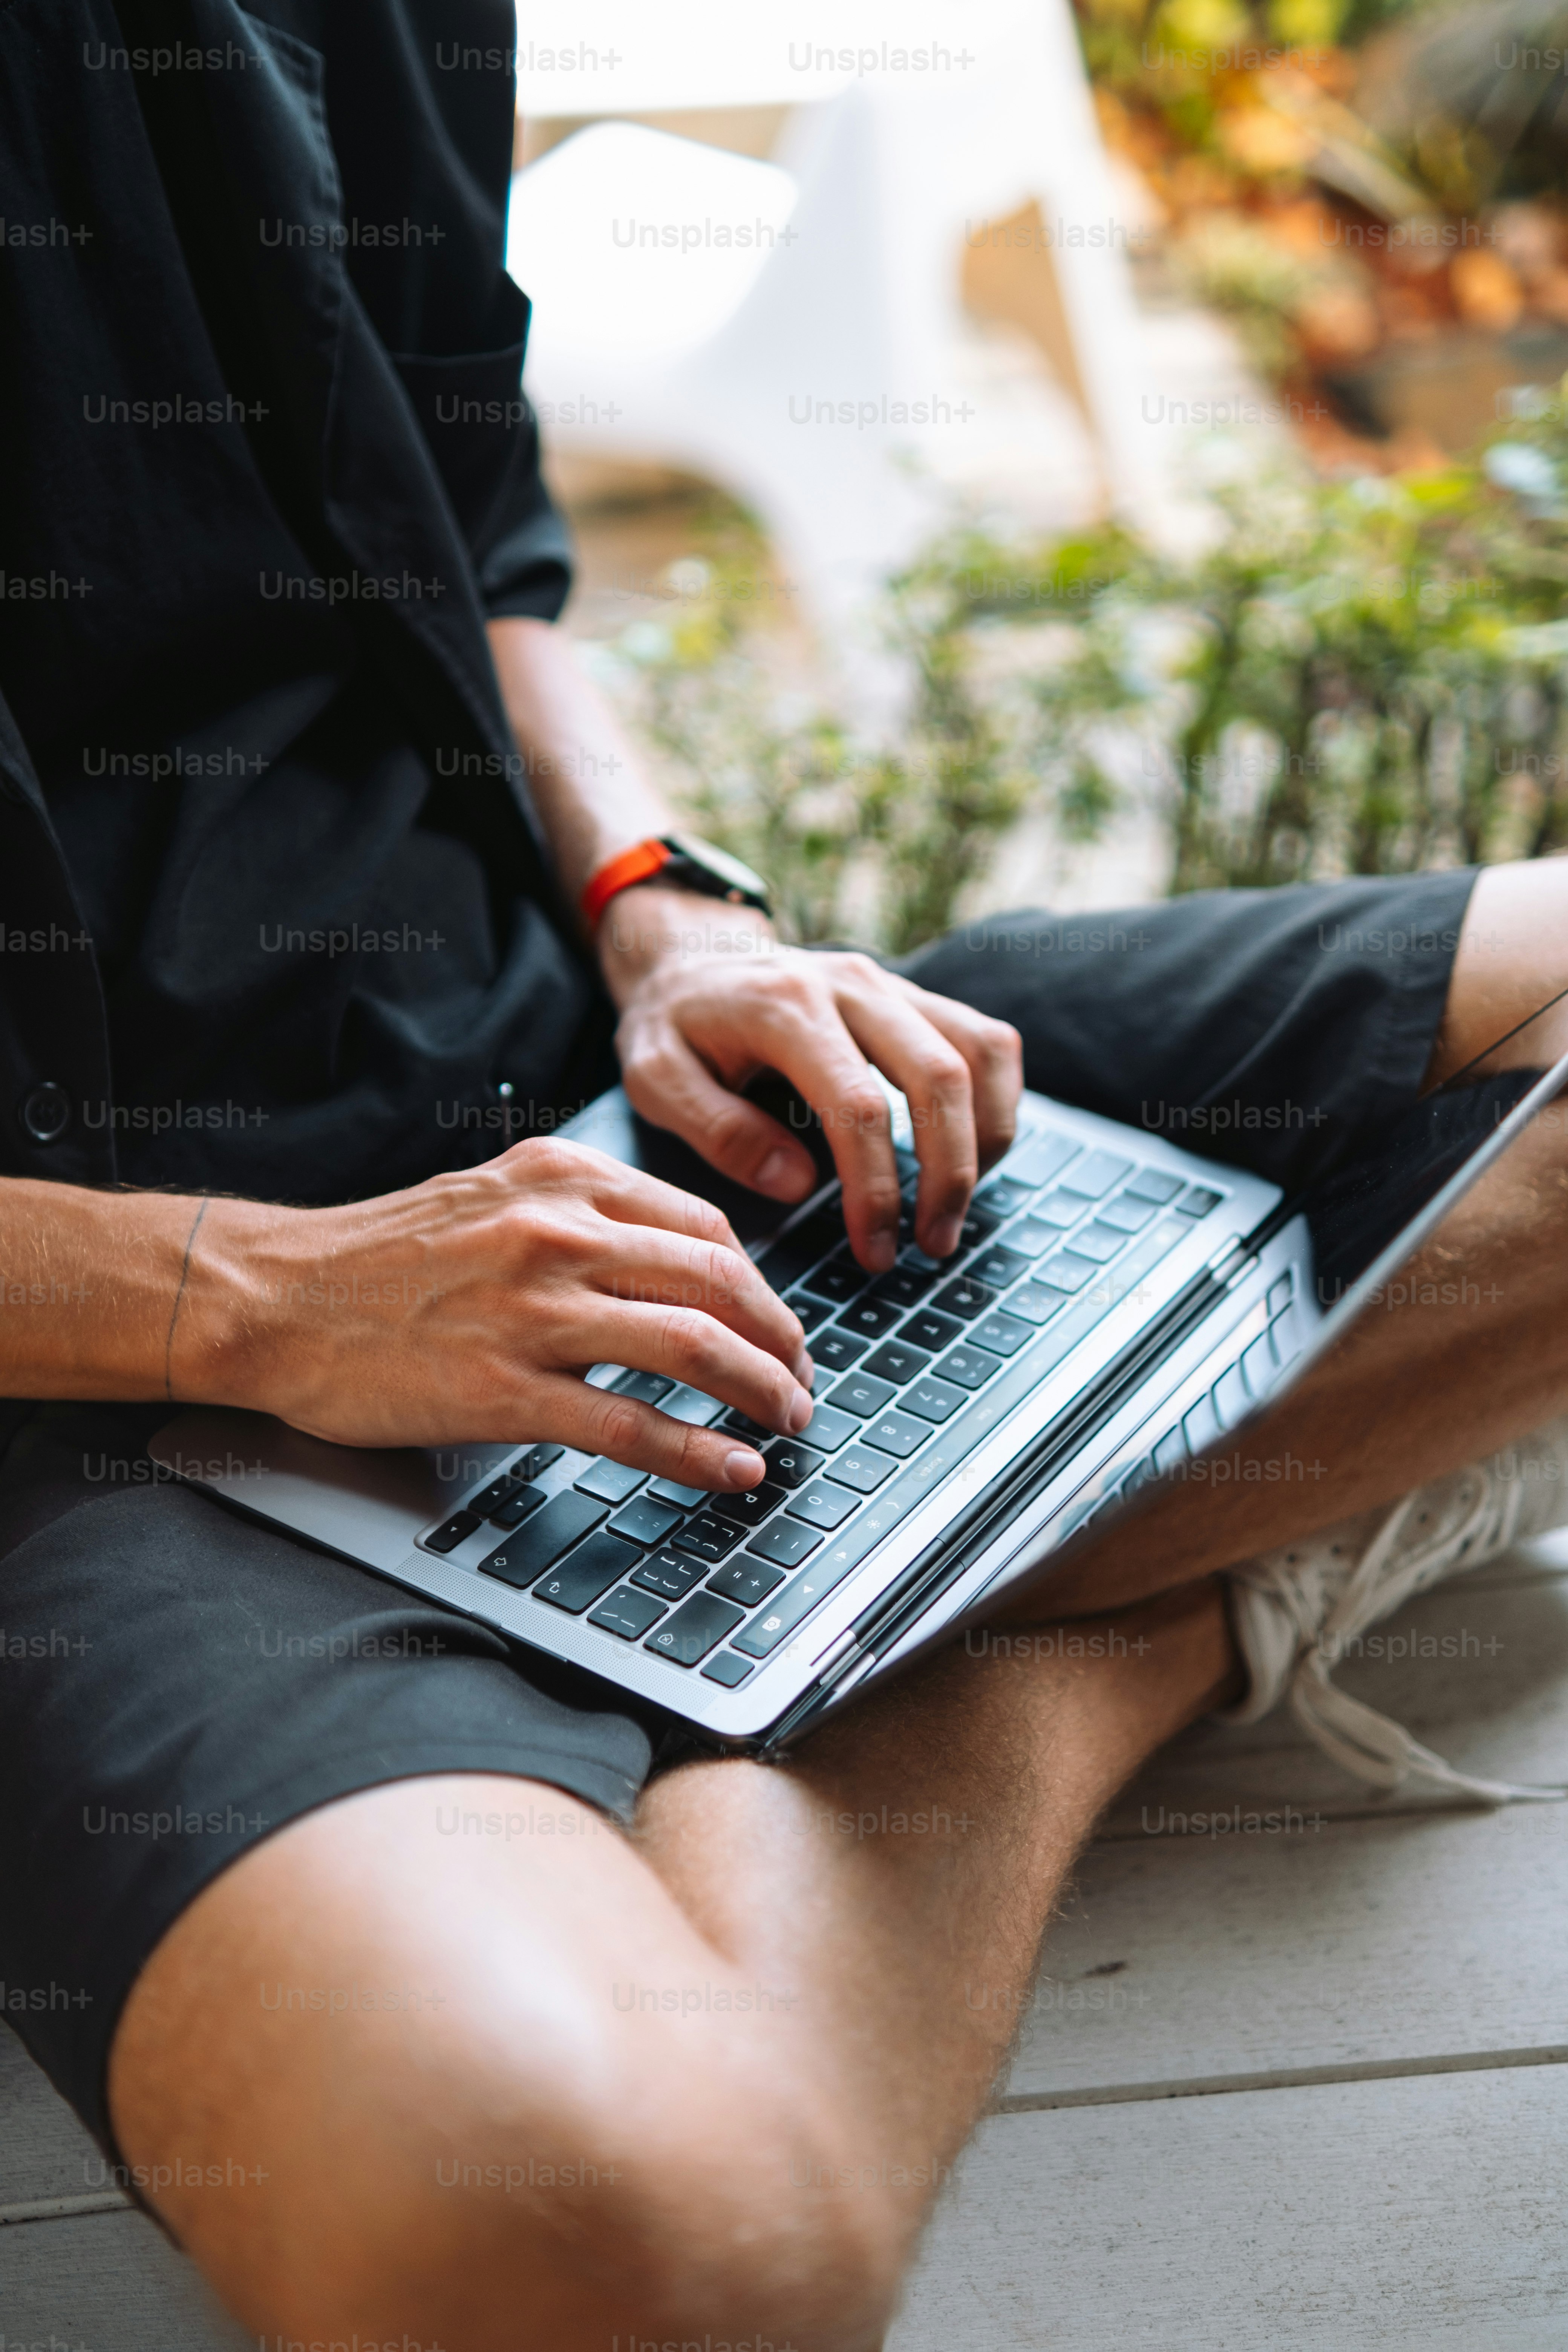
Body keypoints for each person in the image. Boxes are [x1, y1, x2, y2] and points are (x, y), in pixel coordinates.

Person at [4, 8, 1567, 2346]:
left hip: (644, 1134)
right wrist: (262, 1298)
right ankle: (1096, 1624)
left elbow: (485, 553)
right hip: (110, 1400)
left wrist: (669, 913)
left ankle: (956, 1537)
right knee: (605, 2251)